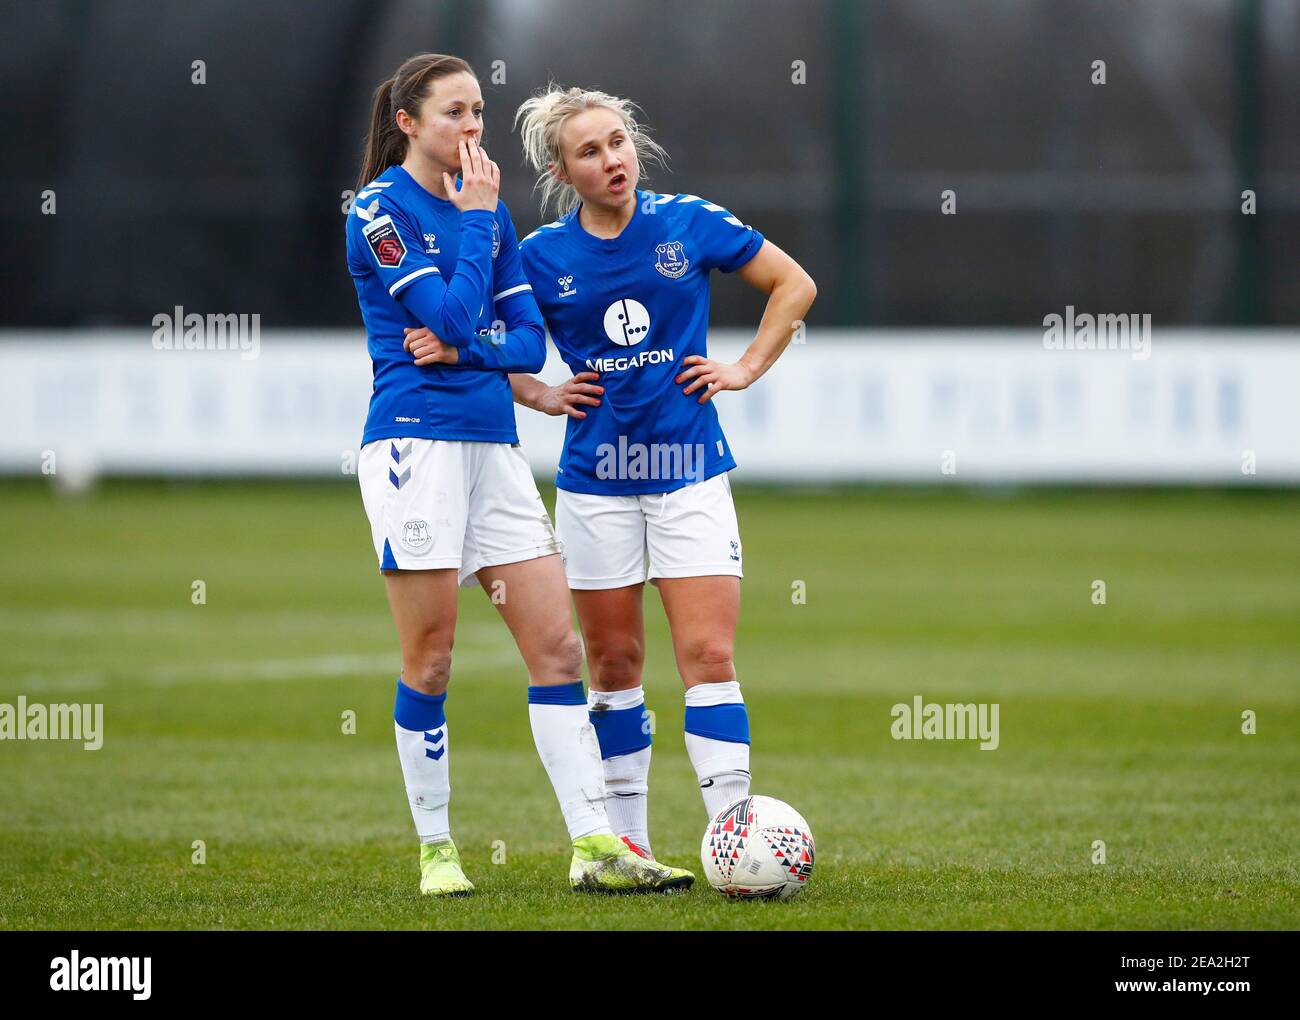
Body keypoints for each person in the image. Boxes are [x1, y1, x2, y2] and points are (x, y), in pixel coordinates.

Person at [406, 84, 816, 860]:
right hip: (596, 483)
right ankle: (628, 847)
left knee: (708, 656)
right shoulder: (540, 256)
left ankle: (732, 838)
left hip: (688, 468)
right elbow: (501, 344)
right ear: (563, 172)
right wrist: (542, 392)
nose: (612, 160)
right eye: (589, 152)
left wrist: (746, 368)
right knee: (616, 663)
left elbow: (793, 284)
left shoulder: (687, 221)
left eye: (619, 142)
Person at [348, 56, 693, 896]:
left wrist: (466, 340)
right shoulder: (379, 210)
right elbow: (455, 316)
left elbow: (523, 344)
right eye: (456, 113)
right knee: (431, 662)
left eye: (479, 111)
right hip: (412, 447)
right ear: (409, 123)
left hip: (494, 450)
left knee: (559, 649)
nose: (474, 128)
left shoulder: (491, 214)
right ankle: (437, 850)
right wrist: (469, 280)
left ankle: (596, 847)